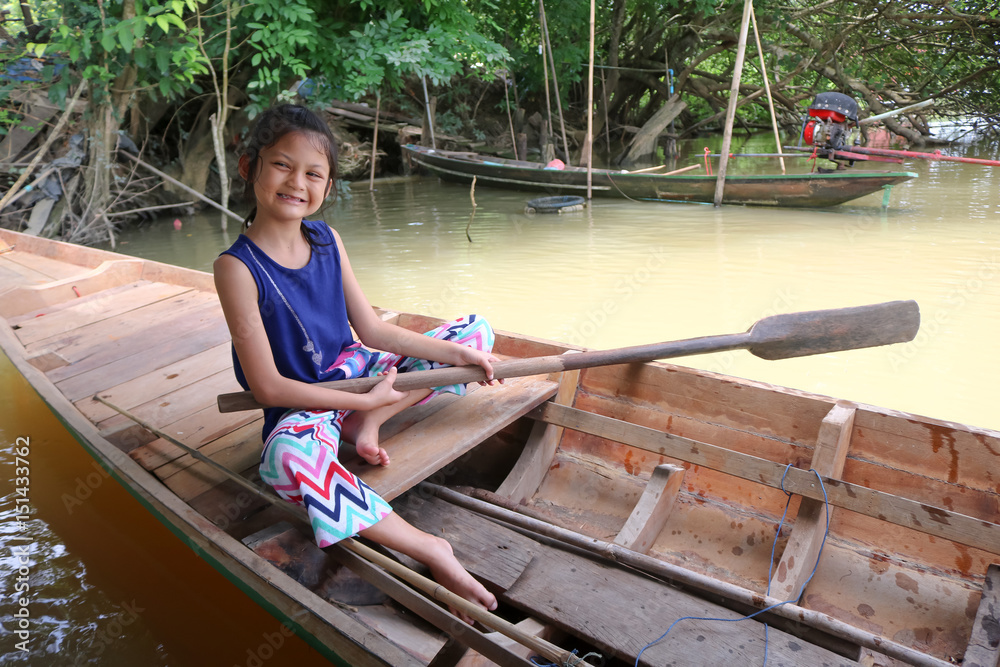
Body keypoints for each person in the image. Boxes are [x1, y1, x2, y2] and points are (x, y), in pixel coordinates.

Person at [214, 103, 498, 619]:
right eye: (282, 165)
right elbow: (269, 388)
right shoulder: (236, 268)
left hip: (359, 372)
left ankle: (369, 420)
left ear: (326, 185)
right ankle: (431, 547)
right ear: (248, 166)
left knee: (475, 332)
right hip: (303, 402)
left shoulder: (326, 239)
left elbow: (371, 331)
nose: (297, 181)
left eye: (314, 173)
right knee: (287, 461)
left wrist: (455, 354)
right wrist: (360, 395)